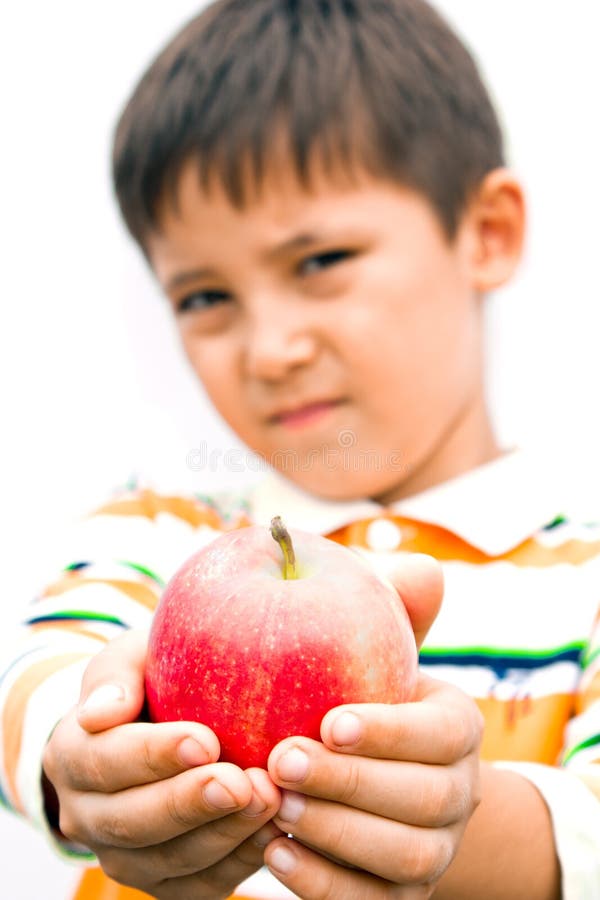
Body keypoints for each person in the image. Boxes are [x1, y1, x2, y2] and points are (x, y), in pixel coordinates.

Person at [2, 0, 600, 897]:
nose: (269, 349)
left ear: (487, 233)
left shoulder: (582, 579)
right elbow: (39, 671)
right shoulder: (169, 533)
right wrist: (83, 750)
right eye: (205, 298)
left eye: (319, 262)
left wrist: (445, 825)